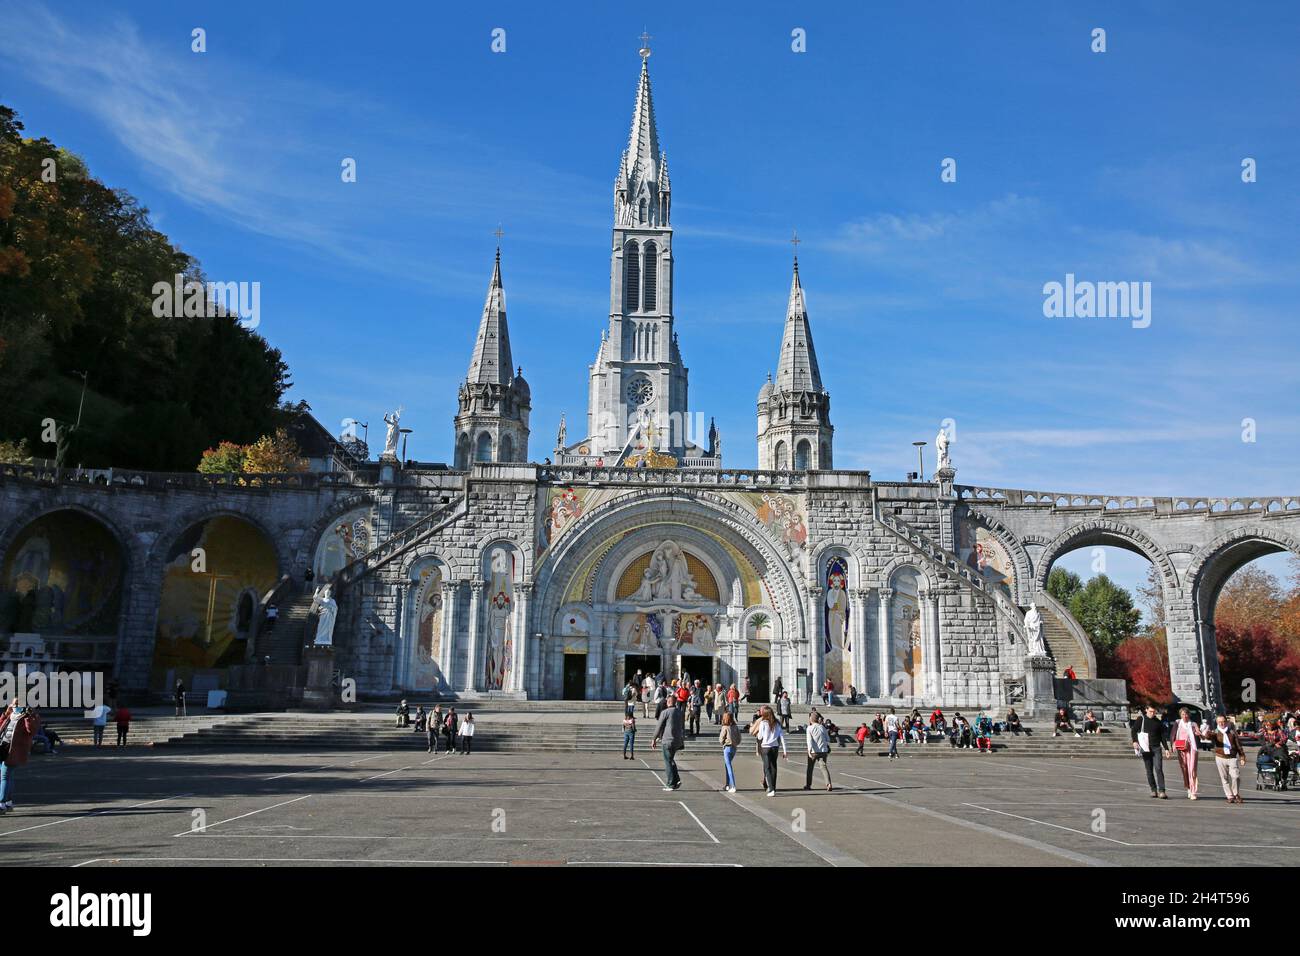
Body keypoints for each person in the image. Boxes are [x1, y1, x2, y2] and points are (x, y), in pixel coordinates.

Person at [0, 703, 39, 813]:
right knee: (7, 776)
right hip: (2, 746)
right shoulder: (10, 715)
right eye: (13, 703)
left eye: (17, 704)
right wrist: (5, 714)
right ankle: (8, 802)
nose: (14, 705)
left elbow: (31, 731)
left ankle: (1, 804)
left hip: (14, 750)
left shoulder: (29, 716)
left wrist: (28, 717)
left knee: (4, 776)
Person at [1131, 704, 1170, 798]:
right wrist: (1135, 741)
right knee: (1149, 770)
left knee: (1158, 768)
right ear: (1146, 710)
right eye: (1150, 711)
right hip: (1146, 748)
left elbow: (1162, 737)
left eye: (1154, 712)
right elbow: (1134, 730)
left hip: (1156, 748)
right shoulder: (1141, 719)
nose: (1152, 713)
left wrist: (1166, 749)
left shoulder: (1158, 722)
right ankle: (1153, 789)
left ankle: (1162, 791)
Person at [1208, 714, 1245, 804]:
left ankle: (1236, 793)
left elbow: (1238, 745)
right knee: (1224, 778)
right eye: (1219, 722)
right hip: (1220, 757)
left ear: (1226, 722)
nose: (1222, 723)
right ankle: (1230, 796)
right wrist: (1207, 733)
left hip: (1232, 757)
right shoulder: (1215, 732)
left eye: (1223, 721)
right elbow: (1208, 737)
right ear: (1217, 722)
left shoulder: (1232, 732)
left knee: (1236, 776)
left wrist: (1242, 756)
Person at [751, 705, 787, 796]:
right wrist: (785, 750)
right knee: (774, 767)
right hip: (775, 747)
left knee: (767, 768)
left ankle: (771, 789)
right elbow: (782, 737)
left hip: (766, 747)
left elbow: (760, 736)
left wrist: (757, 733)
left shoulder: (763, 723)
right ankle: (773, 787)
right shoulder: (777, 723)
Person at [652, 694, 686, 791]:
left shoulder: (665, 712)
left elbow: (659, 726)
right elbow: (682, 727)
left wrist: (654, 738)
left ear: (668, 702)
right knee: (671, 760)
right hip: (677, 740)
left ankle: (670, 783)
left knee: (668, 761)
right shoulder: (679, 712)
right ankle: (677, 780)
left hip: (668, 740)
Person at [1172, 706, 1201, 800]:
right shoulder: (1177, 723)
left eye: (1186, 714)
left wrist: (1199, 734)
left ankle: (1193, 791)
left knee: (1192, 769)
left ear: (1189, 714)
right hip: (1181, 748)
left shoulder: (1193, 724)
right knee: (1184, 769)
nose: (1185, 716)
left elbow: (1198, 732)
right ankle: (1188, 787)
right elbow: (1173, 734)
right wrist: (1173, 744)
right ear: (1180, 715)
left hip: (1192, 748)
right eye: (1183, 714)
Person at [804, 712, 833, 791]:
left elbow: (809, 741)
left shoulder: (809, 728)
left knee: (810, 768)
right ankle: (828, 783)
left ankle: (808, 785)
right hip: (823, 751)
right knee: (824, 767)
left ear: (811, 719)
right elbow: (828, 739)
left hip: (813, 751)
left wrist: (809, 751)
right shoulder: (822, 727)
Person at [719, 711, 740, 793]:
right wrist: (736, 743)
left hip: (727, 747)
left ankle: (733, 785)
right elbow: (739, 737)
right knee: (727, 765)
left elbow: (721, 739)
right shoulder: (735, 726)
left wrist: (723, 742)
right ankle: (727, 784)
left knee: (728, 766)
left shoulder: (725, 727)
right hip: (734, 747)